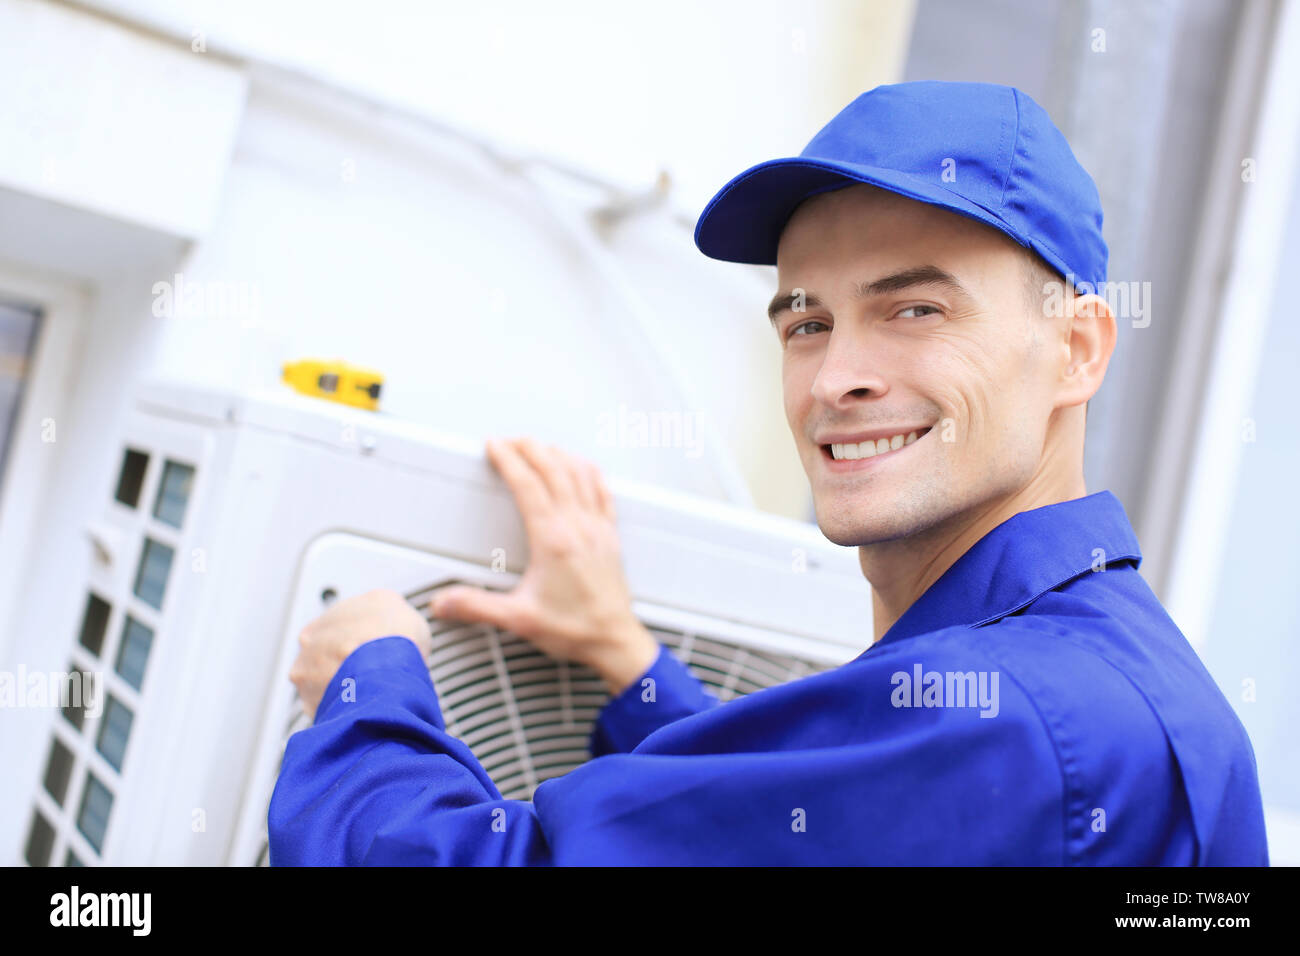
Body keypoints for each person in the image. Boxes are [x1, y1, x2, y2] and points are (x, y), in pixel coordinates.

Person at [268, 81, 1268, 865]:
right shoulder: (1098, 677)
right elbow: (827, 825)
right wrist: (628, 660)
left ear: (1078, 349)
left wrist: (366, 686)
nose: (836, 378)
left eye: (915, 310)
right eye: (806, 322)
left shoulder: (1005, 719)